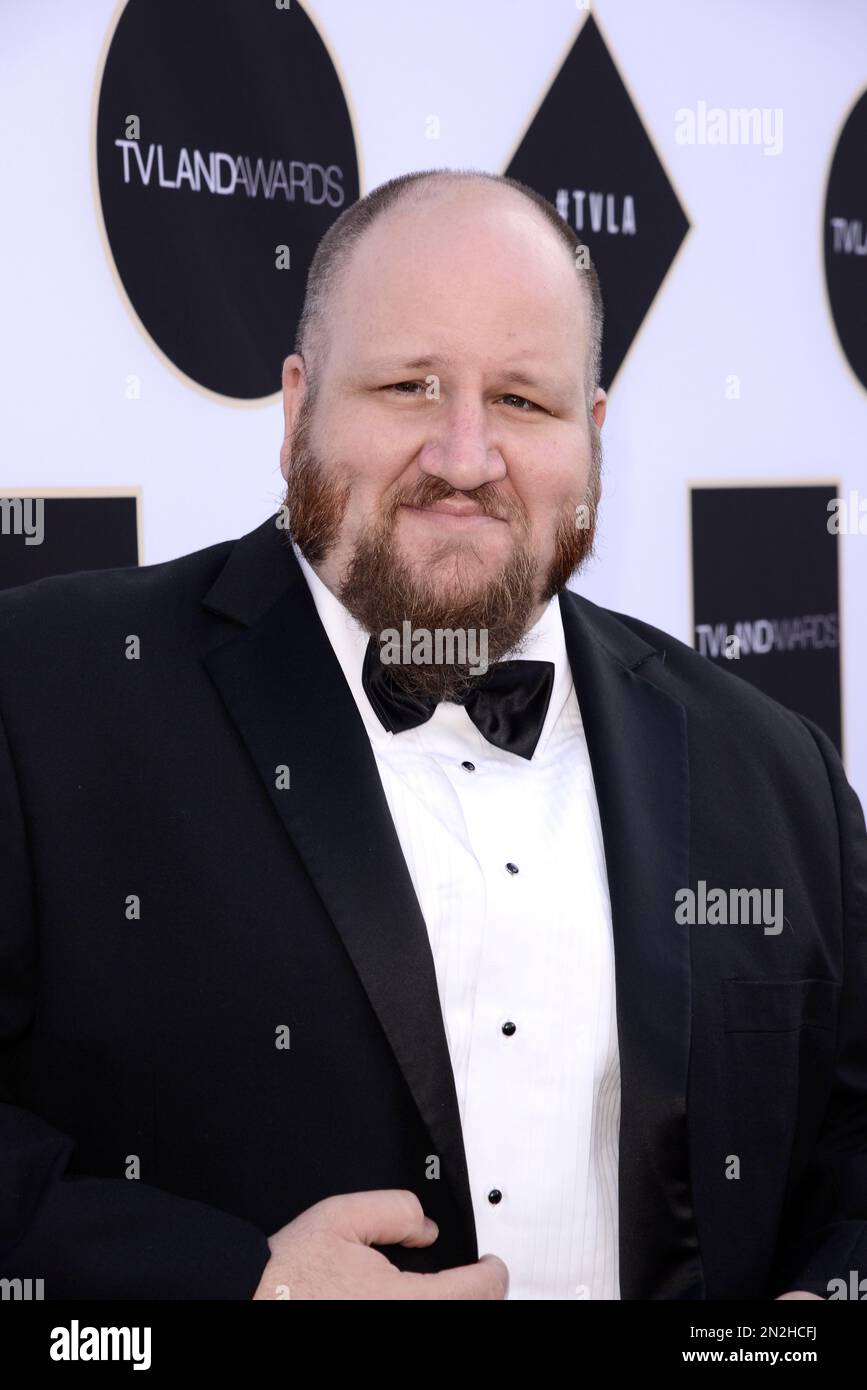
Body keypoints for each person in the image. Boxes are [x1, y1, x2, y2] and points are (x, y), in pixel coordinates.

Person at [1, 170, 864, 1301]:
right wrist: (239, 1288)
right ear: (296, 405)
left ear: (593, 436)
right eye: (410, 385)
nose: (465, 456)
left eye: (522, 400)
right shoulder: (49, 696)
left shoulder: (776, 767)